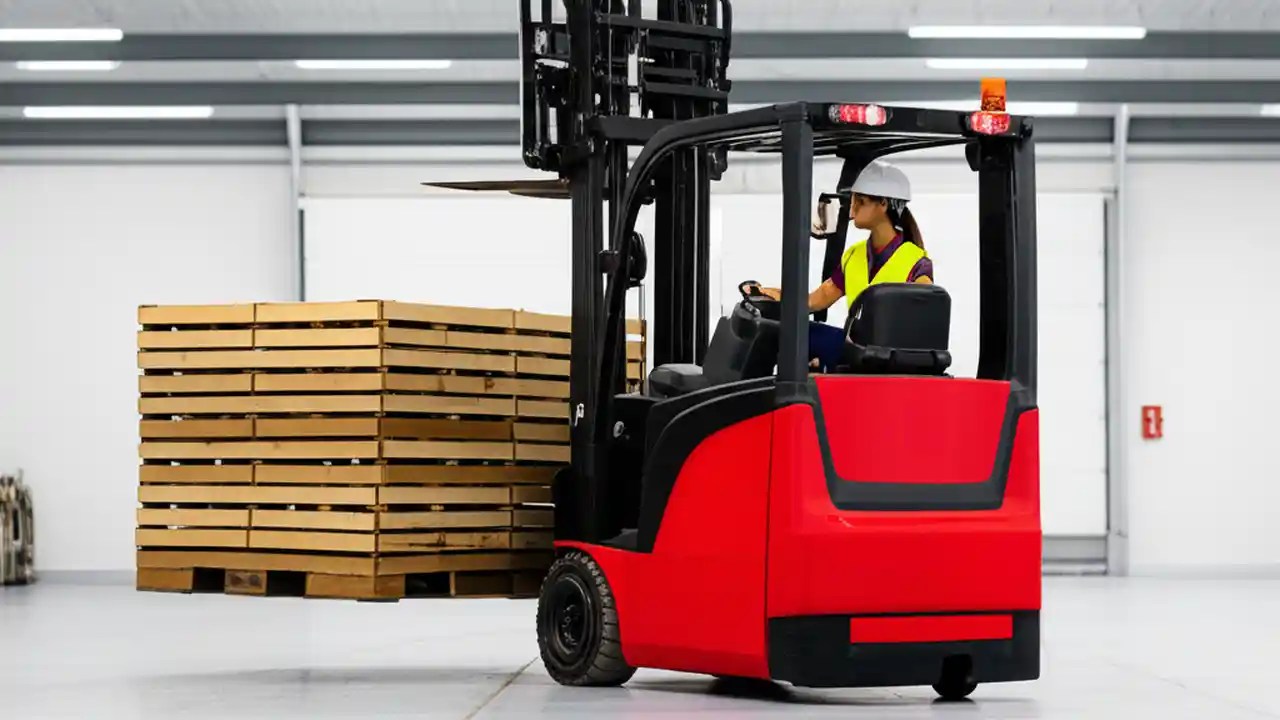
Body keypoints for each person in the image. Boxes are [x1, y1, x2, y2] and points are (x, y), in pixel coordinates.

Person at [748, 160, 932, 371]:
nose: (852, 212)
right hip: (856, 351)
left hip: (890, 360)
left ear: (883, 203)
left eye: (860, 202)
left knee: (792, 337)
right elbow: (812, 302)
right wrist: (768, 295)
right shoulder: (854, 255)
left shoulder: (917, 263)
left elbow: (920, 329)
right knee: (779, 331)